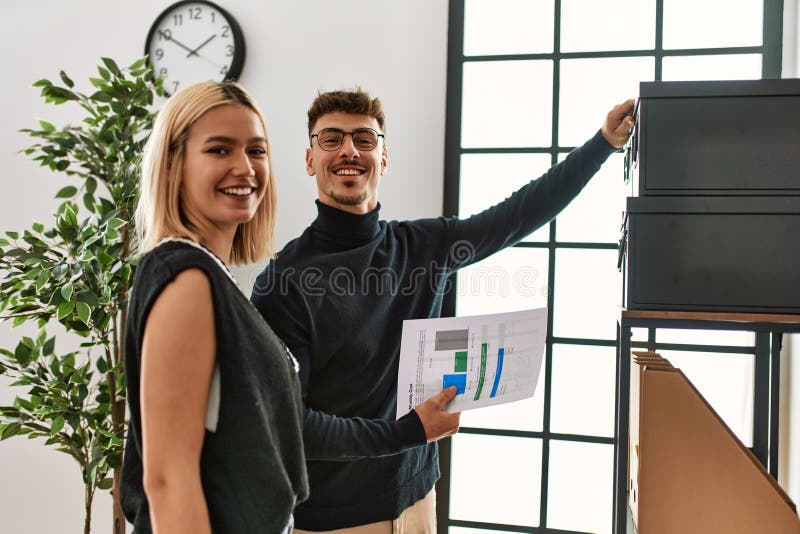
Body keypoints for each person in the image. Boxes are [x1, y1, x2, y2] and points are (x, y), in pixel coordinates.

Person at [250, 88, 634, 533]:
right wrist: (409, 431)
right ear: (310, 159)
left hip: (418, 500)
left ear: (384, 158)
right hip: (334, 519)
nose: (350, 150)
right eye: (331, 139)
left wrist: (603, 143)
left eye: (365, 139)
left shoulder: (425, 246)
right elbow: (291, 427)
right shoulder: (284, 281)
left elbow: (518, 214)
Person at [121, 81, 308, 534]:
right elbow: (167, 480)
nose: (244, 168)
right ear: (173, 167)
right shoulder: (187, 278)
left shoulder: (211, 277)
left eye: (256, 151)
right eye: (220, 150)